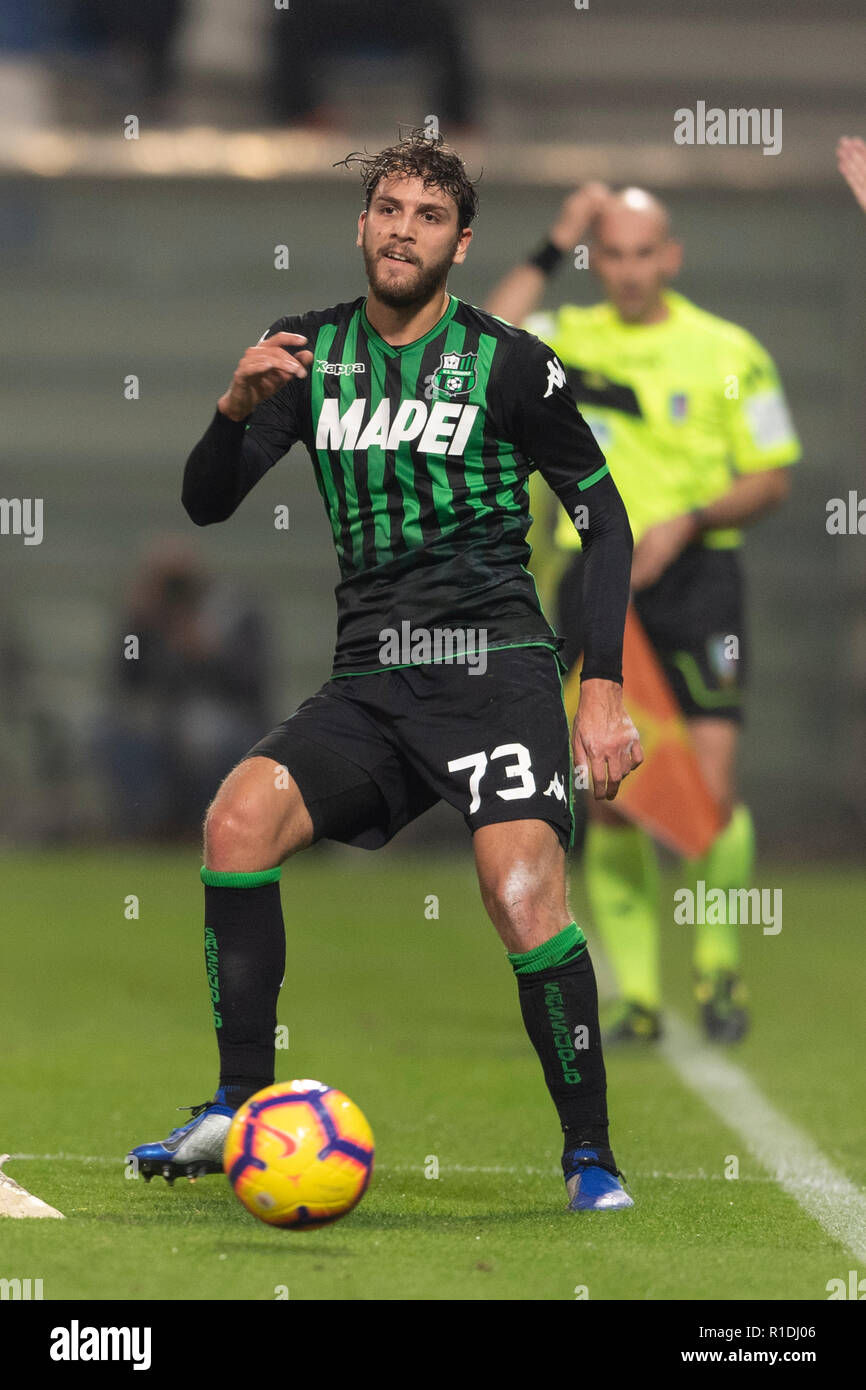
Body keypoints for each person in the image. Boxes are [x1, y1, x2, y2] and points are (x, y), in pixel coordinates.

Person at [127, 132, 642, 1212]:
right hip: (369, 679)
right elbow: (204, 503)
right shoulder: (304, 354)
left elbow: (602, 517)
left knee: (517, 891)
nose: (403, 228)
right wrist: (229, 411)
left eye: (427, 215)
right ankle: (236, 1105)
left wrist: (598, 686)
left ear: (460, 242)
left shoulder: (508, 361)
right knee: (236, 820)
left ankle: (589, 1156)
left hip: (492, 665)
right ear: (360, 226)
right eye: (388, 210)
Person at [485, 184, 800, 1043]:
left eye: (641, 253)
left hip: (699, 582)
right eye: (610, 253)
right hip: (593, 581)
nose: (626, 271)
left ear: (672, 255)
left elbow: (770, 475)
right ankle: (640, 998)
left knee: (707, 790)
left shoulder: (728, 349)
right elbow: (475, 333)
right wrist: (556, 238)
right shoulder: (563, 341)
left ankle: (718, 971)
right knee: (612, 790)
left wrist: (691, 519)